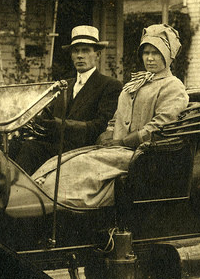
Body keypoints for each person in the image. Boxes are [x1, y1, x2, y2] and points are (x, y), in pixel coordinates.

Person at [31, 23, 190, 208]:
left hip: (142, 154)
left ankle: (56, 202)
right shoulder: (136, 83)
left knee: (83, 164)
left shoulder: (172, 86)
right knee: (70, 159)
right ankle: (44, 194)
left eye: (156, 53)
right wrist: (107, 134)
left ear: (168, 56)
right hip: (117, 150)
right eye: (146, 53)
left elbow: (161, 126)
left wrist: (123, 142)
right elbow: (116, 118)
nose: (150, 58)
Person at [14, 25, 121, 173]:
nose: (80, 56)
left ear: (97, 55)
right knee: (13, 144)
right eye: (76, 51)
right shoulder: (64, 85)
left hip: (83, 151)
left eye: (86, 50)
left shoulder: (109, 85)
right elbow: (47, 116)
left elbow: (99, 126)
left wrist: (58, 125)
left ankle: (13, 193)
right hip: (56, 148)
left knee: (30, 149)